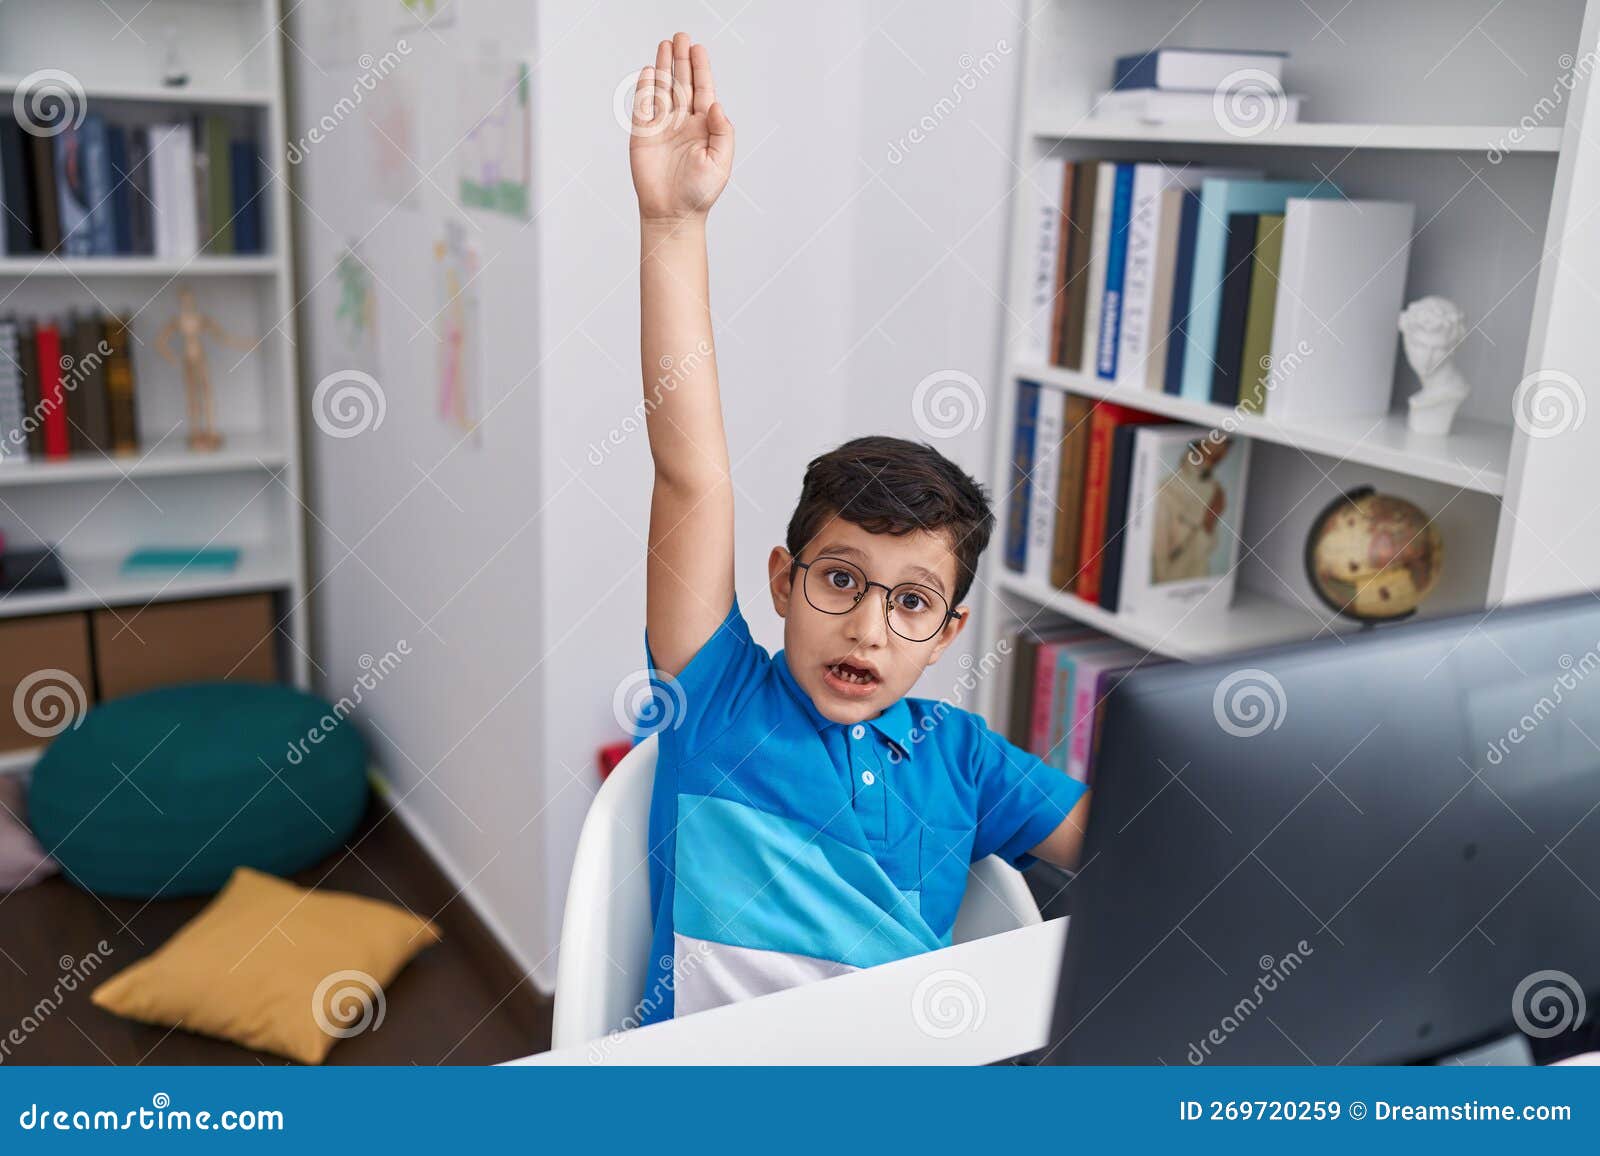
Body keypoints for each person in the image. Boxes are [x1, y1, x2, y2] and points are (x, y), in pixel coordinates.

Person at [629, 33, 1090, 1024]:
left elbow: (1134, 849)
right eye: (840, 580)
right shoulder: (713, 695)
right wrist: (671, 224)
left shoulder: (965, 757)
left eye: (912, 600)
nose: (869, 627)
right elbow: (692, 474)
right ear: (782, 583)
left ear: (949, 631)